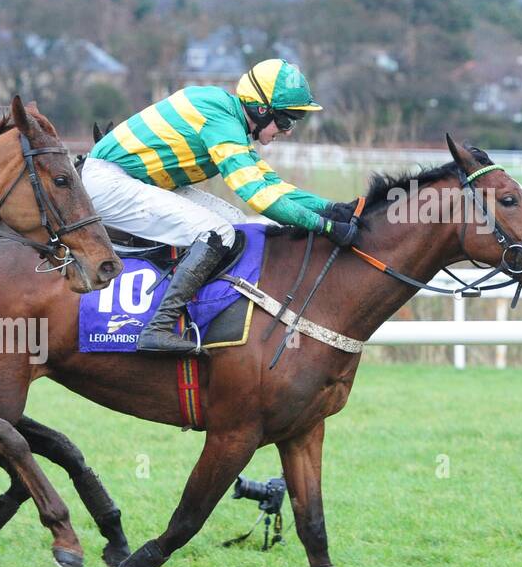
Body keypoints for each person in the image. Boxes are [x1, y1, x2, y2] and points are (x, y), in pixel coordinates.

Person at [82, 58, 358, 355]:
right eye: (287, 119)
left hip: (134, 181)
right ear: (261, 110)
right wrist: (325, 227)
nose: (288, 130)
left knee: (239, 224)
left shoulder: (229, 119)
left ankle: (207, 313)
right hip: (108, 182)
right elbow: (259, 197)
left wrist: (332, 208)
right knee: (218, 232)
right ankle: (158, 327)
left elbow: (271, 184)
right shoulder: (220, 119)